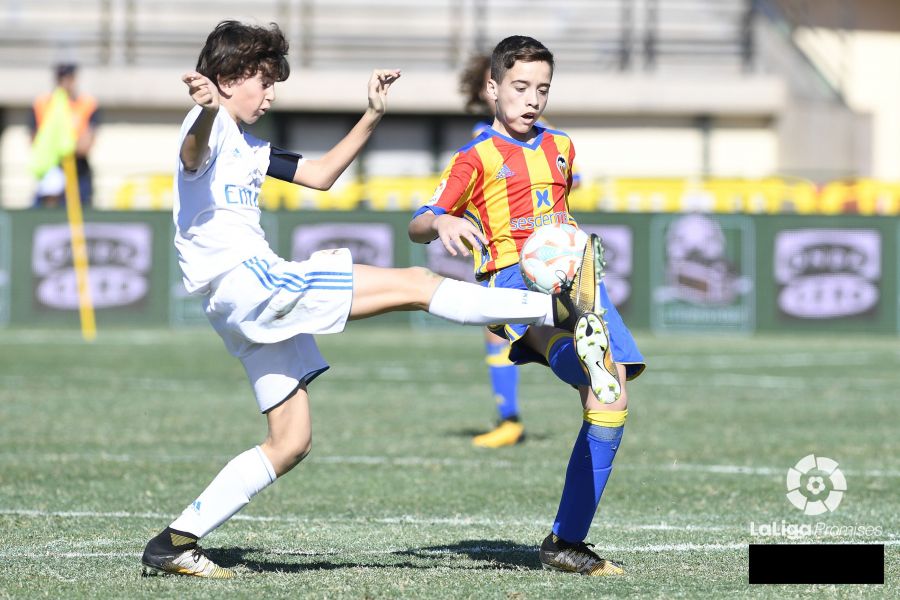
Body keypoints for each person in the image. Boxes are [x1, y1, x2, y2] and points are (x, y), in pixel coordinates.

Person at [140, 21, 606, 579]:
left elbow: (321, 175)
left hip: (240, 304)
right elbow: (193, 152)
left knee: (290, 442)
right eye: (264, 82)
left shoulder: (251, 146)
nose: (271, 95)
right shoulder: (209, 123)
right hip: (252, 282)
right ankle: (553, 309)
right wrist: (206, 109)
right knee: (415, 284)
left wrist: (372, 114)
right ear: (230, 77)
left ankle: (174, 541)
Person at [409, 35, 646, 576]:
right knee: (560, 345)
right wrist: (443, 220)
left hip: (574, 273)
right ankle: (572, 349)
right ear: (493, 88)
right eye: (520, 87)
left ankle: (566, 542)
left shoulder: (561, 145)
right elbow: (417, 223)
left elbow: (559, 207)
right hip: (513, 279)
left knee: (610, 398)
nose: (532, 99)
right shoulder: (475, 156)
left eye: (542, 89)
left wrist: (565, 247)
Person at [458, 54, 524, 448]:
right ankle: (509, 419)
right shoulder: (481, 134)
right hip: (500, 247)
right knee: (497, 331)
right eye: (488, 83)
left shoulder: (539, 134)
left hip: (530, 249)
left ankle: (510, 420)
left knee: (506, 331)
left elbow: (574, 177)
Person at [29, 63, 98, 207]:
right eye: (61, 79)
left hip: (78, 172)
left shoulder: (86, 103)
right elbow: (35, 140)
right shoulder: (43, 104)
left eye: (69, 78)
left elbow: (85, 145)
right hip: (51, 170)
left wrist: (64, 145)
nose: (65, 83)